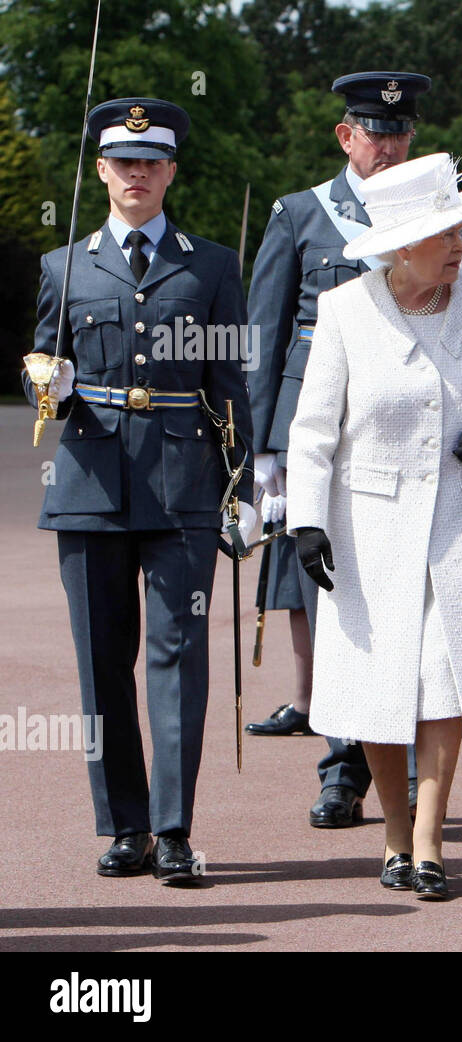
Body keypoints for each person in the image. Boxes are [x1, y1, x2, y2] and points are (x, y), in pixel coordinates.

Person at [286, 152, 462, 898]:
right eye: (447, 233)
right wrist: (306, 522)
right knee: (379, 683)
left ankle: (428, 840)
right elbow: (313, 430)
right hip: (365, 526)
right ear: (403, 245)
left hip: (460, 519)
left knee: (445, 679)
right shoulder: (345, 310)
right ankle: (393, 835)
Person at [21, 98, 255, 883]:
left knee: (179, 656)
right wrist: (41, 384)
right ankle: (124, 826)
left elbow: (230, 387)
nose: (139, 174)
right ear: (102, 170)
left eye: (153, 161)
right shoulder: (66, 266)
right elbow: (45, 382)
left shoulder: (214, 265)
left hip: (185, 485)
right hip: (88, 483)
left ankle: (174, 827)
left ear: (171, 172)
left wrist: (241, 489)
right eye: (125, 162)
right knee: (101, 662)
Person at [245, 71, 431, 827]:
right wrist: (262, 454)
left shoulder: (431, 213)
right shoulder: (300, 215)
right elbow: (264, 336)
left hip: (403, 439)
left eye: (398, 132)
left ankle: (410, 769)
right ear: (345, 136)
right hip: (316, 439)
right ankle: (341, 771)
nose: (387, 146)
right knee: (333, 608)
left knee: (408, 608)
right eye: (372, 133)